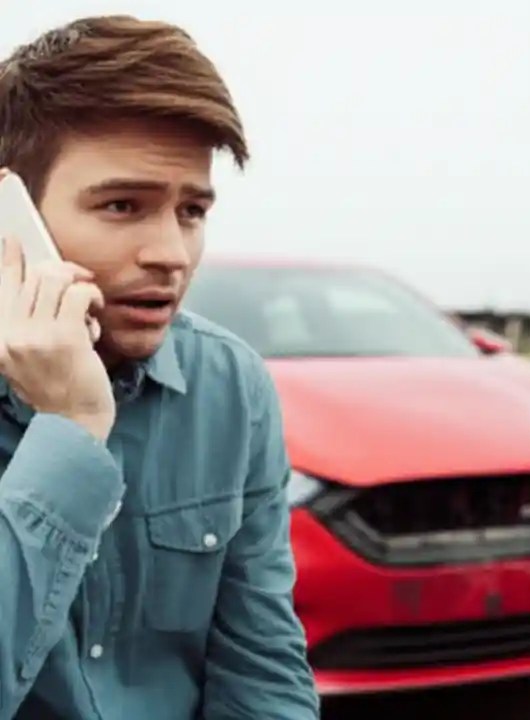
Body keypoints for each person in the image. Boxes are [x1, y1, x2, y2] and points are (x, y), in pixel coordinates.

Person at [0, 15, 318, 719]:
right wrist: (72, 429)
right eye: (122, 205)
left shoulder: (232, 390)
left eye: (192, 210)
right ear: (10, 217)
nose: (171, 252)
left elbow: (263, 669)